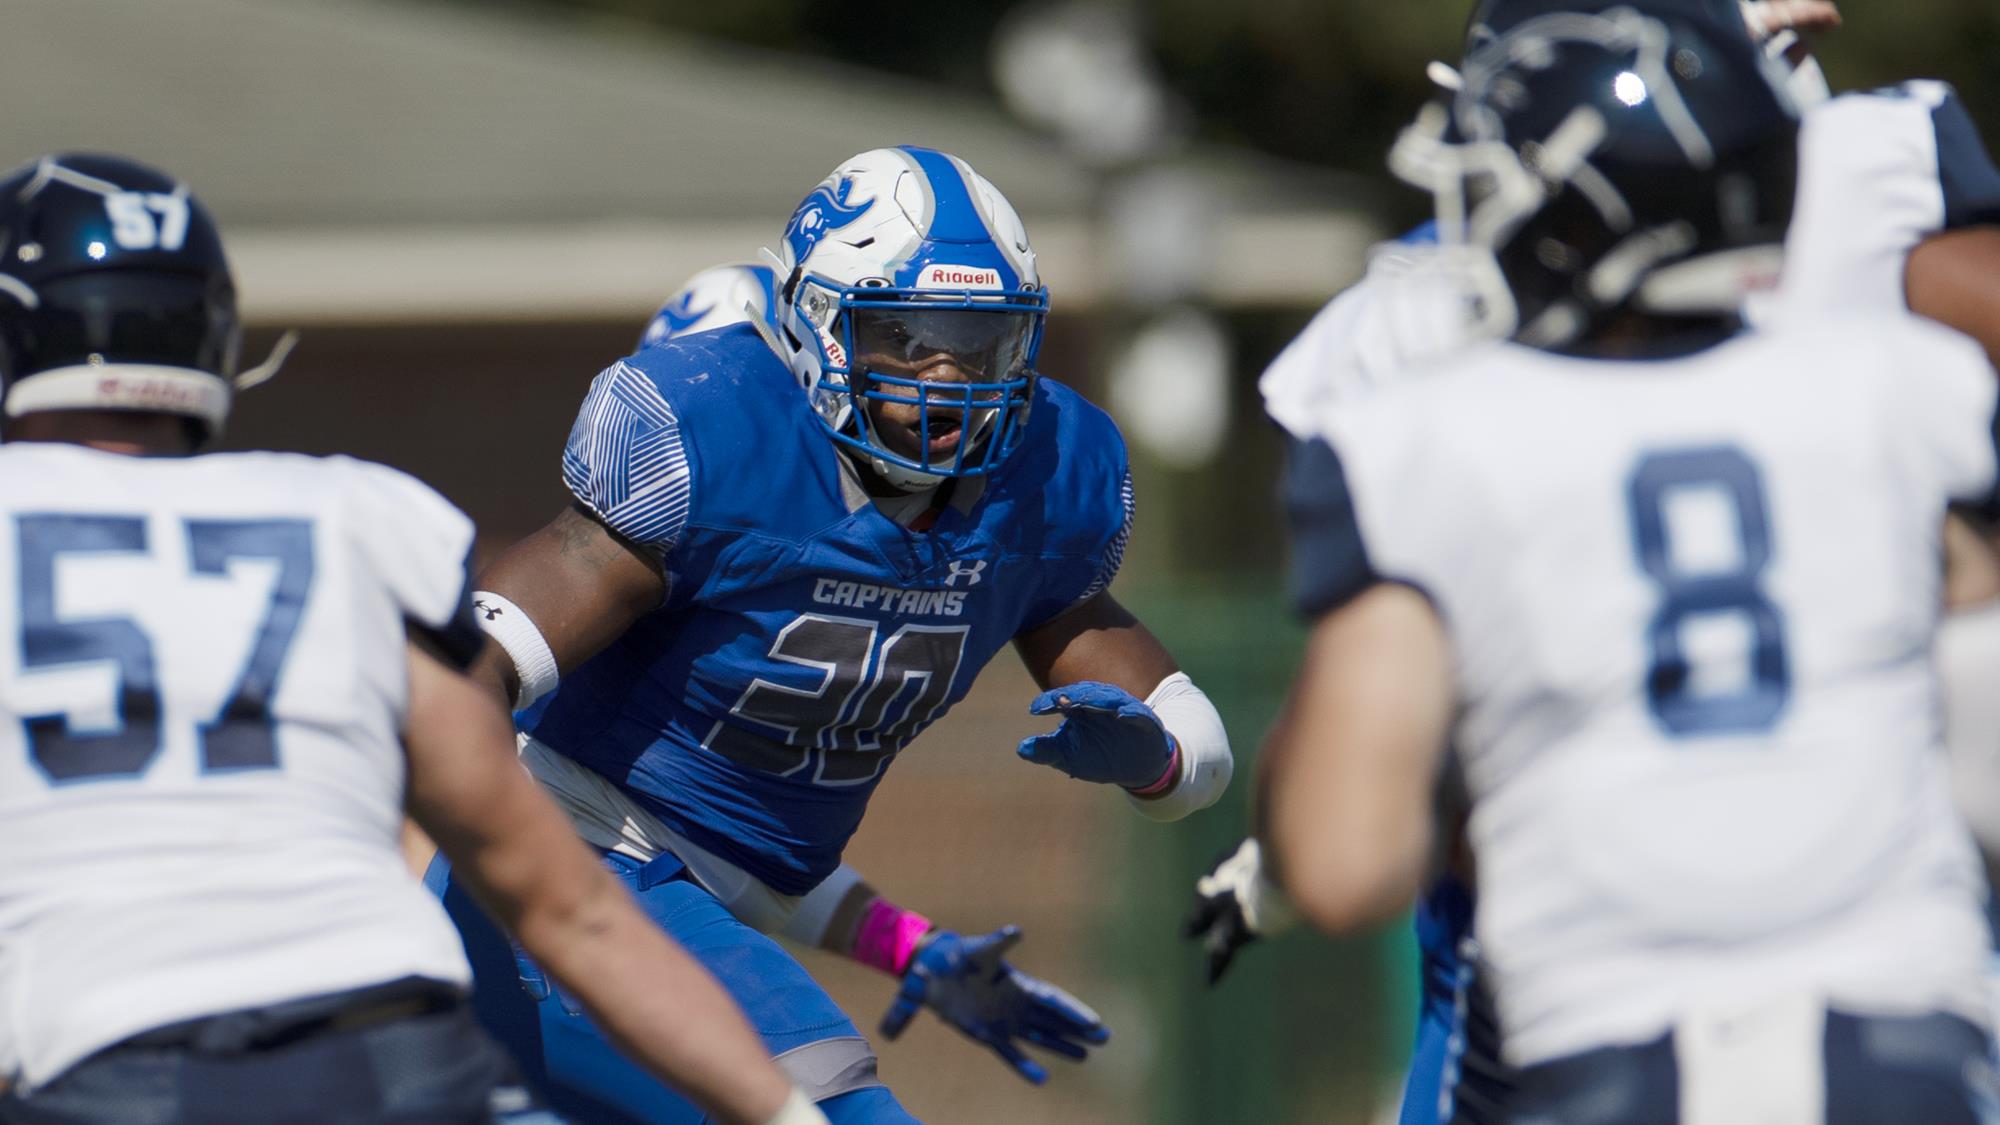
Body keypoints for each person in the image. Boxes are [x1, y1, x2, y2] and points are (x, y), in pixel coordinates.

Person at [1187, 1, 2000, 1120]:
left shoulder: (1423, 437)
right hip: (1904, 1031)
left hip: (1609, 1039)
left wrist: (1278, 862)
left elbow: (1347, 853)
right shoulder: (1906, 391)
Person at [0, 153, 828, 1125]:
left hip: (117, 1064)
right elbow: (570, 907)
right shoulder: (349, 518)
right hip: (390, 1058)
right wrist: (787, 1115)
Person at [433, 144, 1235, 1123]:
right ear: (814, 333)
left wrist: (1152, 755)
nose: (951, 377)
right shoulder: (717, 438)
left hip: (686, 897)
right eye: (909, 338)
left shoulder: (1042, 482)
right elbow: (460, 683)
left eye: (978, 341)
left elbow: (1197, 751)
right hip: (564, 866)